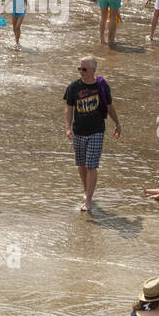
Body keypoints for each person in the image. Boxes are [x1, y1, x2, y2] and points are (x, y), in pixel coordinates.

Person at [64, 56, 121, 211]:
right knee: (81, 164)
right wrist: (68, 128)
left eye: (84, 69)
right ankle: (86, 190)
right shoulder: (73, 87)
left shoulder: (102, 86)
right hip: (79, 131)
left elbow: (110, 106)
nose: (81, 72)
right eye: (79, 69)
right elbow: (69, 109)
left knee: (91, 165)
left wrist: (117, 123)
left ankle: (88, 199)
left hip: (96, 130)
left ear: (93, 70)